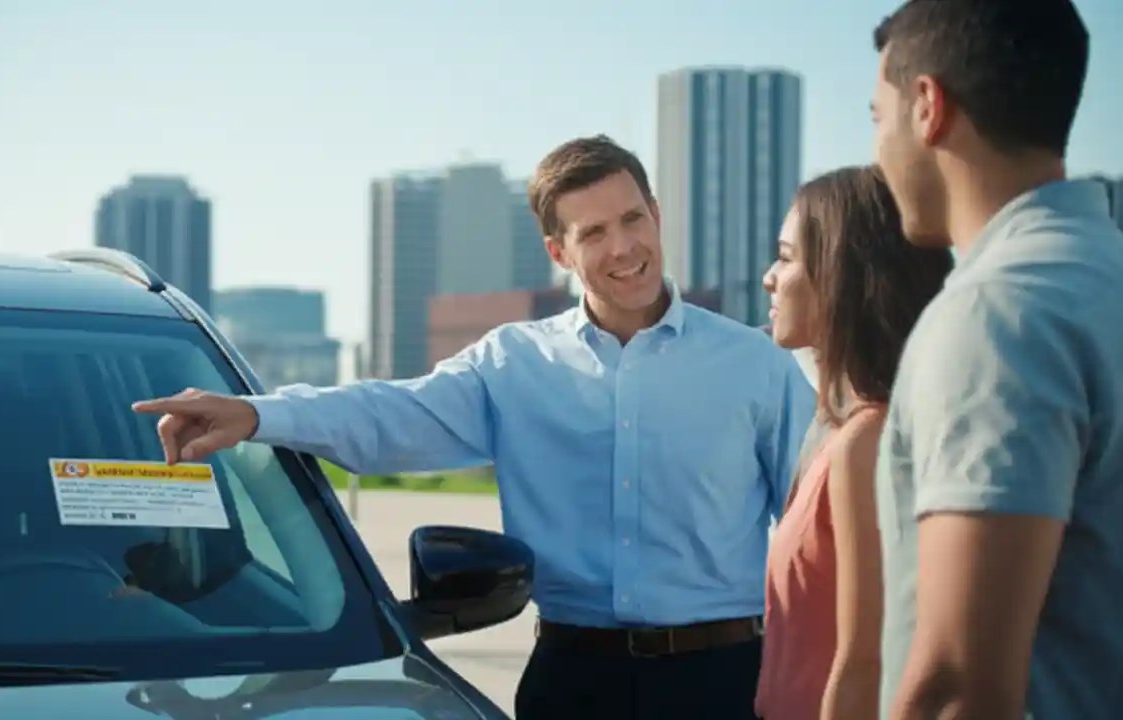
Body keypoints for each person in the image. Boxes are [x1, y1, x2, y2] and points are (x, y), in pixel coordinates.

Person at [132, 134, 816, 719]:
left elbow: (818, 528)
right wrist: (258, 413)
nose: (624, 247)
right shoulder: (514, 363)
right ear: (559, 252)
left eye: (633, 219)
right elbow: (390, 413)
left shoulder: (754, 364)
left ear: (657, 215)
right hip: (572, 682)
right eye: (593, 233)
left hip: (724, 679)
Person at [869, 2, 1123, 718]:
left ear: (928, 106)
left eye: (876, 116)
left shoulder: (997, 315)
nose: (877, 150)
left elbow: (959, 686)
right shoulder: (1100, 278)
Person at [754, 165, 953, 720]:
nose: (769, 277)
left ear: (843, 276)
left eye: (787, 257)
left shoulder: (867, 444)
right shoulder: (838, 429)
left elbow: (866, 663)